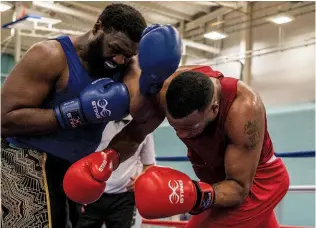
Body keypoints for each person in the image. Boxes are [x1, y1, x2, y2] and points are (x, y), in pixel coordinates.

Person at [1, 2, 182, 227]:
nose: (118, 60)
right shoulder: (51, 55)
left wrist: (153, 80)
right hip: (23, 161)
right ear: (98, 28)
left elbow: (141, 112)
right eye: (115, 48)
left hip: (76, 172)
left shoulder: (127, 65)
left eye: (127, 55)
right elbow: (5, 120)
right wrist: (76, 113)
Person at [133, 65, 290, 228]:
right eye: (175, 127)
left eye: (190, 128)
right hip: (220, 181)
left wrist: (196, 195)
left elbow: (238, 187)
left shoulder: (243, 109)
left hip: (256, 184)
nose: (181, 135)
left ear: (214, 109)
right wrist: (111, 157)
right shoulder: (167, 88)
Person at [76, 116, 156, 228]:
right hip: (92, 196)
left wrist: (141, 178)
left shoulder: (143, 127)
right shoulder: (97, 121)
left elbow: (149, 165)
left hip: (123, 198)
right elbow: (80, 157)